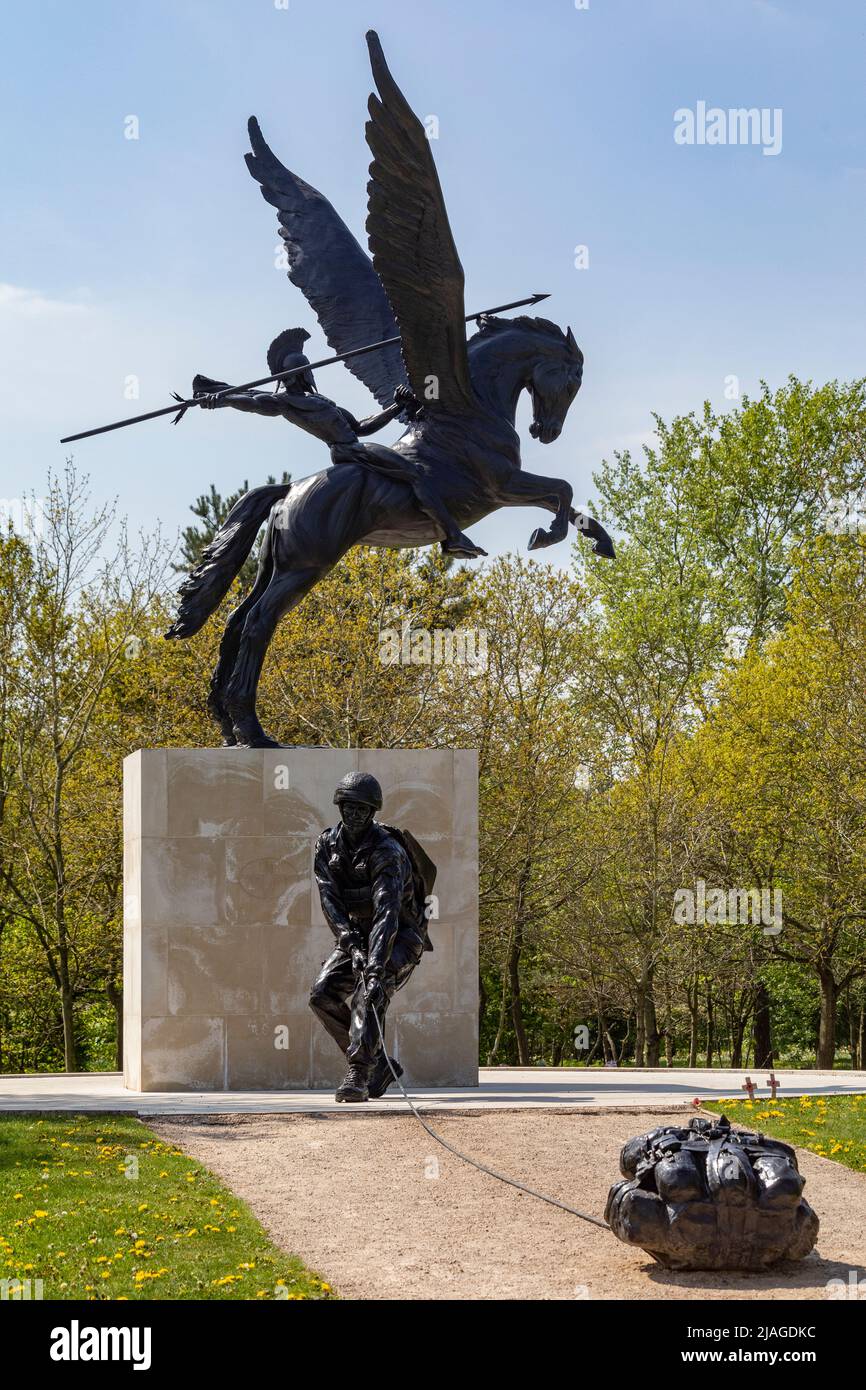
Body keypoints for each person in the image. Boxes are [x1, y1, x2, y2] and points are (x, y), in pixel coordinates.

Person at [193, 328, 487, 559]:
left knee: (410, 472)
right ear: (297, 375)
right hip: (349, 452)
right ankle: (452, 537)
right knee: (414, 473)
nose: (305, 374)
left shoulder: (321, 401)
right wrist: (221, 399)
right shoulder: (285, 402)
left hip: (355, 445)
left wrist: (397, 406)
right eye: (301, 370)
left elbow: (363, 426)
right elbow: (254, 402)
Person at [309, 771, 435, 1102]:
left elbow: (388, 912)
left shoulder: (387, 851)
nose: (353, 814)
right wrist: (350, 944)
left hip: (400, 935)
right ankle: (378, 1065)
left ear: (372, 812)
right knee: (321, 995)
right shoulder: (326, 845)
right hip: (356, 935)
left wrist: (376, 965)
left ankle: (359, 1073)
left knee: (370, 991)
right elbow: (330, 901)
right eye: (348, 806)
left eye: (361, 809)